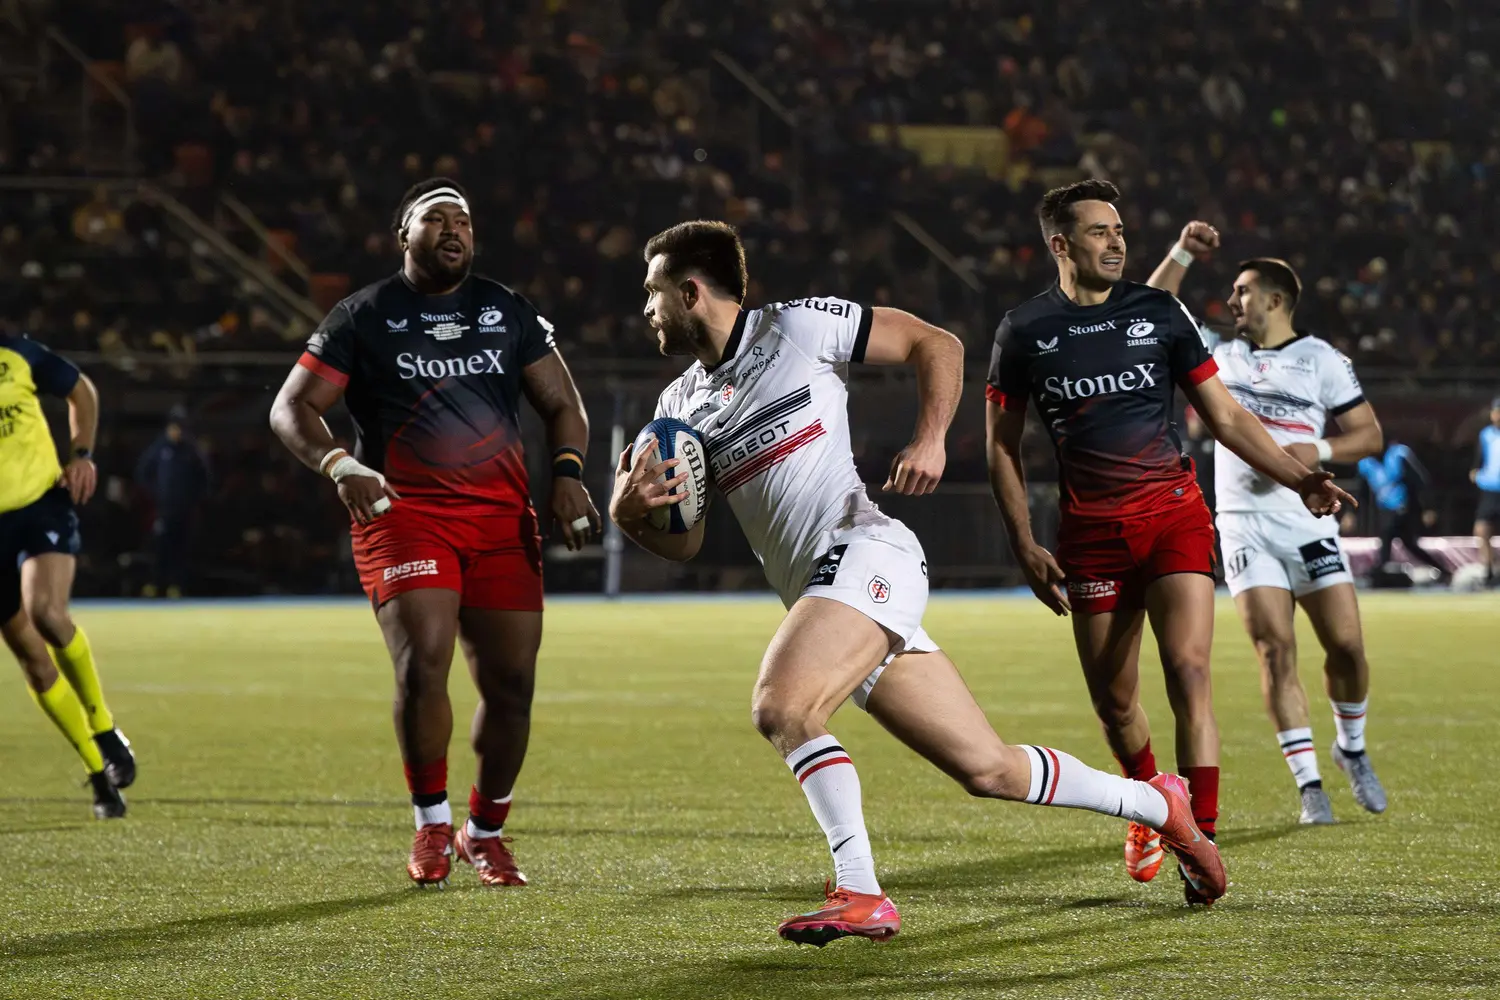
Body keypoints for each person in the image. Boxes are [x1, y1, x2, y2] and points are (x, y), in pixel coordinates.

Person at [612, 220, 1226, 947]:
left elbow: (937, 342)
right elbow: (684, 545)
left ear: (691, 291)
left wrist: (930, 436)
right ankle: (1160, 807)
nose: (645, 310)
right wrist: (631, 516)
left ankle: (861, 893)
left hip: (865, 554)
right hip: (833, 596)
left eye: (652, 293)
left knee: (783, 706)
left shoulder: (796, 327)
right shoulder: (678, 407)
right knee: (989, 769)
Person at [984, 181, 1354, 902]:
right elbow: (999, 448)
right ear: (1061, 245)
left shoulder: (1160, 313)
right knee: (1114, 704)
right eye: (1099, 231)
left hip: (1175, 514)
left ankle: (1201, 843)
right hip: (1091, 535)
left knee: (1190, 670)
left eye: (1120, 229)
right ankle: (1151, 804)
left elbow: (1227, 416)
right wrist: (1025, 542)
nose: (1117, 241)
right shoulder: (1023, 331)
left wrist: (1299, 476)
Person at [269, 178, 601, 889]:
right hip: (403, 515)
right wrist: (339, 462)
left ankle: (486, 832)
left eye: (464, 221)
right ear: (404, 236)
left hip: (501, 518)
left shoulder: (506, 310)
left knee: (513, 686)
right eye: (436, 219)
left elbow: (563, 404)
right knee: (425, 660)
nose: (454, 229)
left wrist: (569, 472)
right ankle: (431, 824)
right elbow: (292, 408)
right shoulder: (363, 315)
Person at [1148, 252, 1387, 823]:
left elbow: (1369, 434)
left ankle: (1349, 747)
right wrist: (1181, 249)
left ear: (1276, 300)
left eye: (1243, 291)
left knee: (1347, 647)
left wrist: (1320, 451)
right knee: (1275, 649)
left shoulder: (1321, 359)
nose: (1232, 301)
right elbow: (1153, 303)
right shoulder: (1219, 354)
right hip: (1243, 523)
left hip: (1307, 522)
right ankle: (1309, 787)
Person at [0, 331, 135, 818]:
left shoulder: (18, 354)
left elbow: (82, 390)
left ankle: (103, 725)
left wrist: (81, 455)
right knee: (34, 662)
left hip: (41, 503)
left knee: (48, 616)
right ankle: (98, 770)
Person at [135, 404, 211, 598]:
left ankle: (176, 586)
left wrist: (194, 499)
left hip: (185, 510)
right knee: (160, 548)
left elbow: (204, 477)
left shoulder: (191, 450)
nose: (177, 431)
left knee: (182, 549)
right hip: (164, 509)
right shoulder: (159, 448)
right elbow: (143, 473)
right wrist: (156, 494)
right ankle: (155, 584)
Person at [1358, 440, 1448, 580]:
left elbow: (1420, 481)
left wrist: (1428, 507)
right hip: (1385, 508)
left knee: (1387, 534)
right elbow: (1362, 491)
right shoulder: (1366, 463)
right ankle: (1443, 570)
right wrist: (1351, 512)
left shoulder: (1399, 454)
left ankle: (1380, 568)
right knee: (1409, 544)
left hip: (1405, 505)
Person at [1469, 399, 1500, 586]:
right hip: (1490, 489)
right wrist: (1475, 472)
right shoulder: (1486, 435)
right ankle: (1489, 571)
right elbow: (1479, 459)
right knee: (1481, 529)